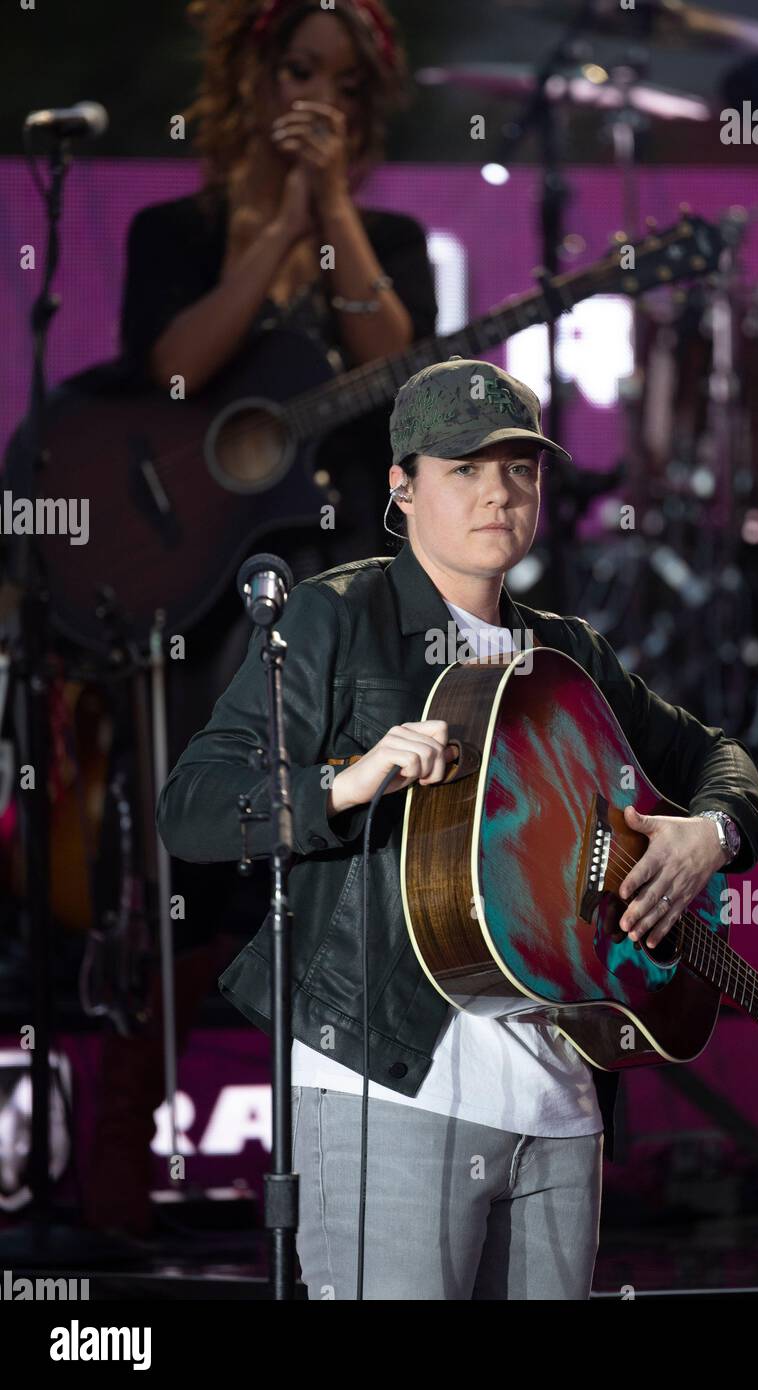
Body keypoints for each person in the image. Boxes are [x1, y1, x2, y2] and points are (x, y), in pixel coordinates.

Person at [156, 357, 758, 1299]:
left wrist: (709, 836)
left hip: (561, 1100)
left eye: (519, 469)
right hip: (387, 1082)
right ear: (401, 489)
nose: (499, 493)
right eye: (465, 469)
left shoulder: (567, 653)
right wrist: (342, 782)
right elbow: (192, 805)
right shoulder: (335, 617)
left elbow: (717, 759)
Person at [85, 0, 436, 1239]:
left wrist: (332, 215)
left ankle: (351, 1177)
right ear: (251, 73)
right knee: (202, 857)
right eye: (299, 69)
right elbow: (176, 370)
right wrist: (275, 220)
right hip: (203, 585)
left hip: (347, 581)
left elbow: (400, 378)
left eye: (342, 82)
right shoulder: (170, 230)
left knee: (352, 854)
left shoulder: (388, 233)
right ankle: (117, 1179)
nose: (316, 96)